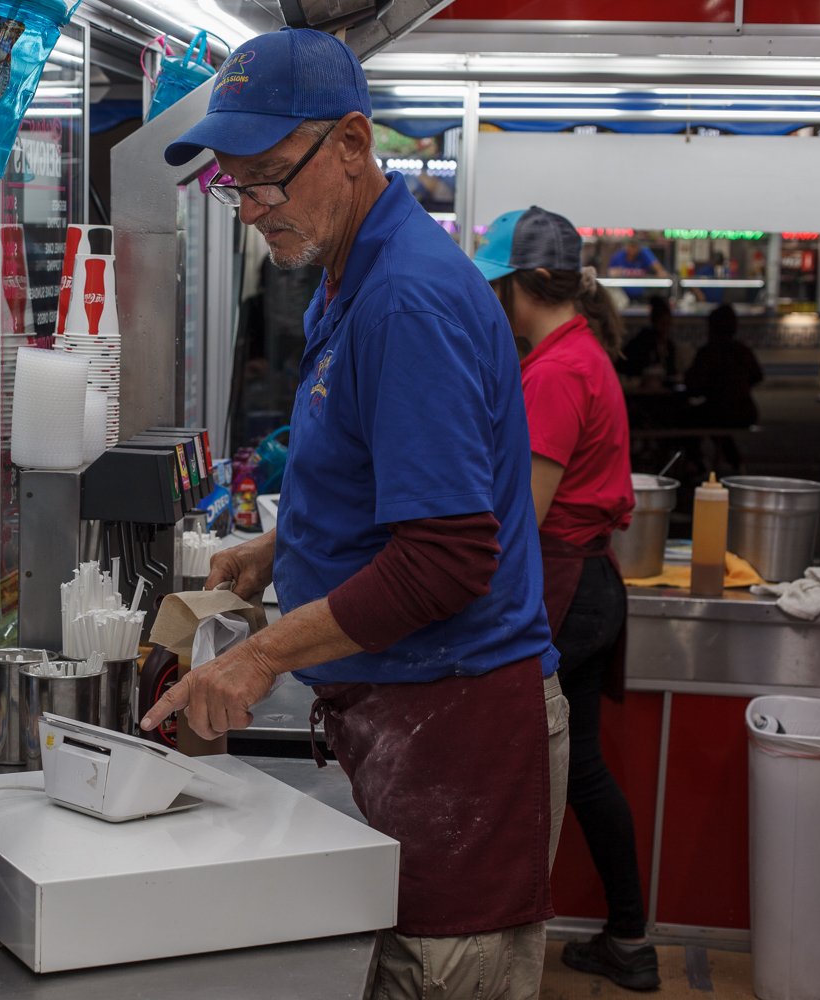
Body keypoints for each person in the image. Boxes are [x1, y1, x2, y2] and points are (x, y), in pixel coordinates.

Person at [145, 28, 569, 999]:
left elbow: (450, 557)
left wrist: (260, 655)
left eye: (267, 179)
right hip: (397, 715)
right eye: (232, 184)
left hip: (457, 729)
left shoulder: (404, 301)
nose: (251, 210)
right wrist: (279, 544)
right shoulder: (348, 276)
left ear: (349, 142)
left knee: (438, 974)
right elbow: (388, 477)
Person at [474, 207, 656, 991]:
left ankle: (501, 936)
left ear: (520, 285)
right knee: (579, 767)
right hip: (587, 582)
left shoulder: (554, 372)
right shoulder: (577, 353)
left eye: (496, 285)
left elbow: (525, 516)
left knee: (532, 766)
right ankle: (628, 938)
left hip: (562, 584)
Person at [685, 304, 763, 471]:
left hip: (719, 411)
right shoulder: (742, 351)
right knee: (717, 422)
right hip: (745, 411)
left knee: (689, 418)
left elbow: (692, 385)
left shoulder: (708, 353)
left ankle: (696, 461)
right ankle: (735, 462)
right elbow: (758, 376)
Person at [616, 295, 677, 382]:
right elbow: (629, 366)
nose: (666, 328)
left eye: (668, 324)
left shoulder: (668, 345)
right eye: (663, 323)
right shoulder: (642, 342)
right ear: (655, 322)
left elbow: (671, 372)